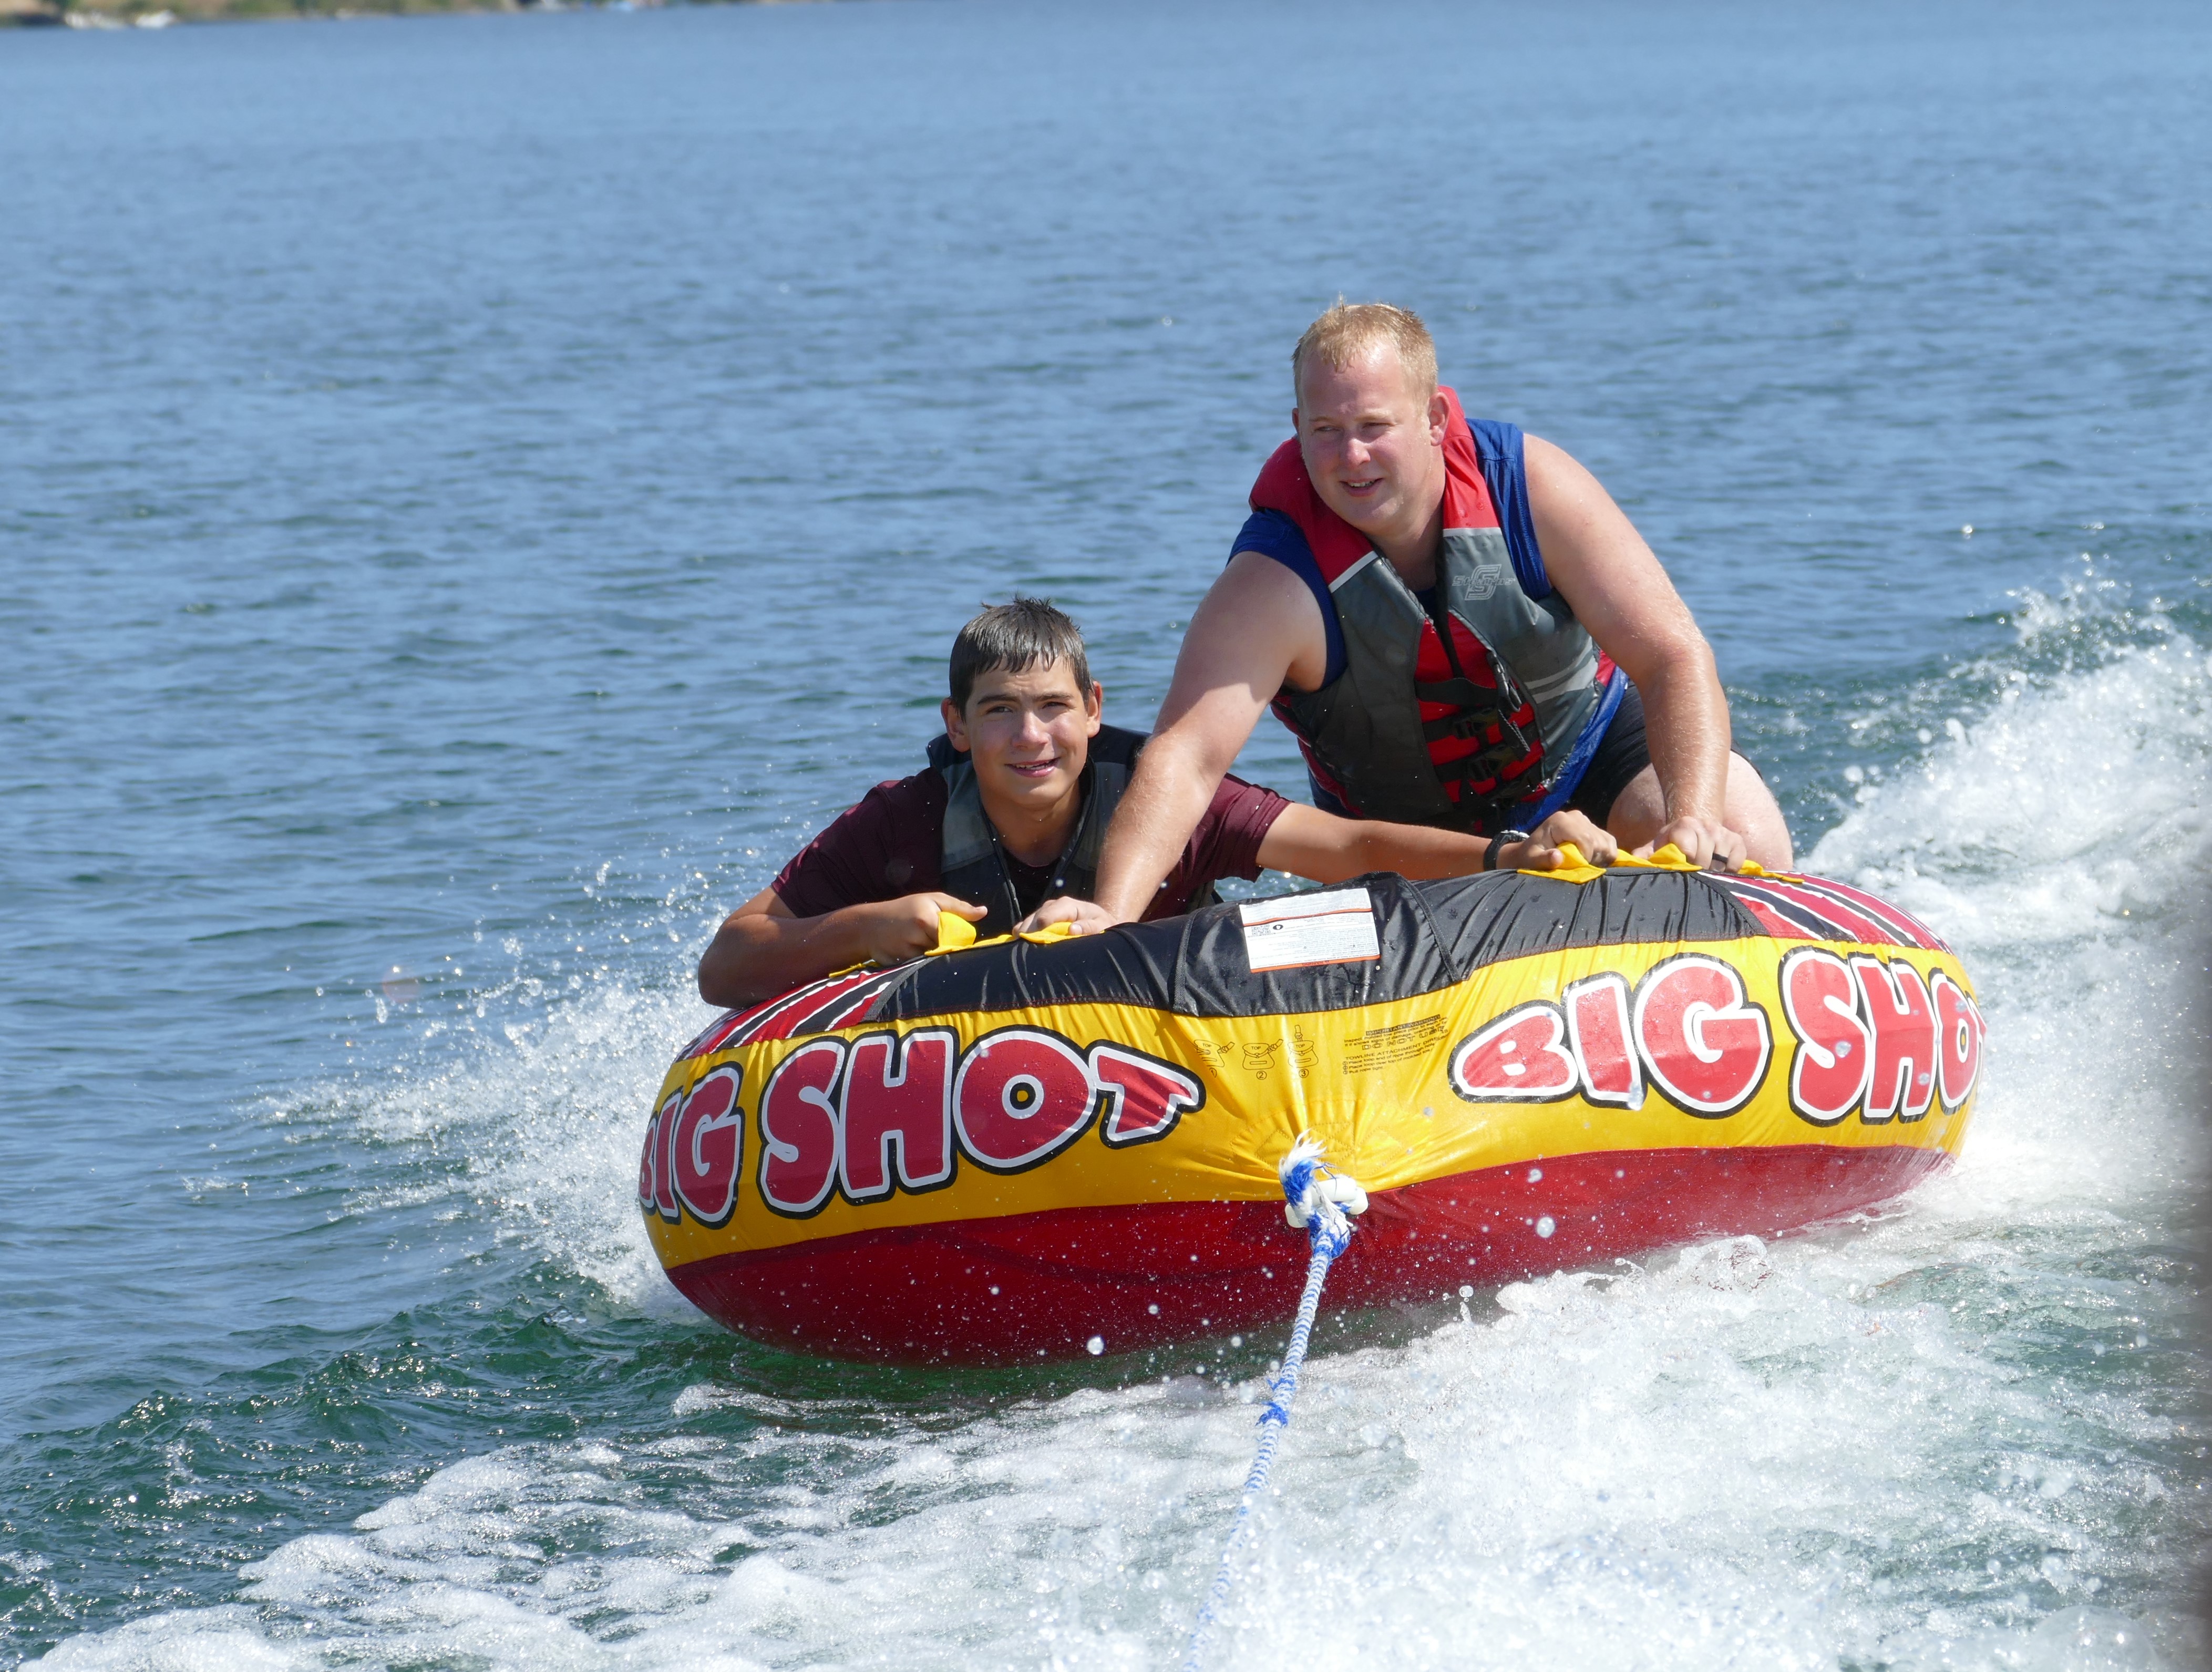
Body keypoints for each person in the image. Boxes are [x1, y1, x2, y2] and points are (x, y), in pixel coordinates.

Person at [1031, 303, 1792, 936]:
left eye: (1373, 425)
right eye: (1324, 430)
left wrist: (1690, 823)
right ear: (1296, 427)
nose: (1350, 456)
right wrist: (1111, 912)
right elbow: (1186, 756)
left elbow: (1672, 657)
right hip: (1412, 841)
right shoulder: (1272, 581)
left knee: (1742, 831)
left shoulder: (1531, 489)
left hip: (1585, 762)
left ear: (1433, 417)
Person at [698, 597, 1616, 1008]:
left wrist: (1508, 853)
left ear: (1094, 712)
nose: (1031, 738)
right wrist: (864, 925)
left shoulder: (1164, 797)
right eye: (999, 713)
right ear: (957, 723)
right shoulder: (901, 823)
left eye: (1055, 708)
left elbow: (1348, 845)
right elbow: (727, 964)